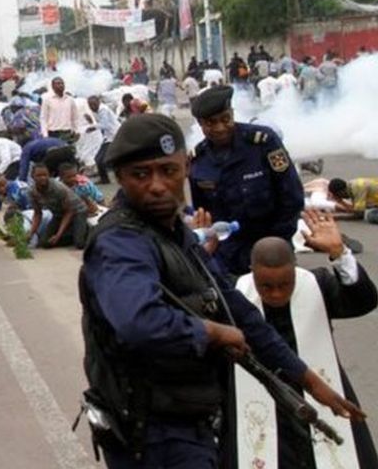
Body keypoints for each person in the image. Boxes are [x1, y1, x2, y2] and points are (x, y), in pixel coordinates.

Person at [78, 113, 363, 469]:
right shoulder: (122, 242)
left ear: (186, 168)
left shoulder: (173, 233)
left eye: (168, 171)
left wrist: (306, 379)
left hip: (187, 418)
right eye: (141, 174)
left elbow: (235, 307)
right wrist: (211, 331)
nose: (157, 185)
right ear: (119, 177)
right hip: (150, 433)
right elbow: (139, 322)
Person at [230, 215, 377, 469]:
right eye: (266, 286)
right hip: (261, 401)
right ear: (251, 272)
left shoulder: (317, 284)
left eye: (285, 284)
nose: (276, 293)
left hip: (321, 391)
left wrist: (340, 253)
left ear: (296, 268)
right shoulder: (235, 293)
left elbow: (363, 301)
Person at [189, 86, 304, 275]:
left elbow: (292, 197)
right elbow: (203, 216)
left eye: (225, 119)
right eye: (211, 123)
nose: (220, 128)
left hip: (271, 247)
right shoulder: (198, 161)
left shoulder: (263, 143)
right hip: (226, 257)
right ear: (201, 124)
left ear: (232, 113)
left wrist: (277, 244)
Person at [26, 162, 87, 249]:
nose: (42, 178)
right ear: (33, 177)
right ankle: (73, 232)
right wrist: (30, 234)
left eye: (45, 175)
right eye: (39, 175)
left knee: (79, 244)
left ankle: (84, 231)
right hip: (58, 214)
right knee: (44, 243)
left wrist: (58, 234)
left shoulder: (57, 188)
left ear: (49, 175)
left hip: (77, 211)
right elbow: (37, 214)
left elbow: (69, 211)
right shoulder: (32, 192)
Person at [88, 96, 120, 184]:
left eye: (94, 104)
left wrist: (93, 127)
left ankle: (106, 179)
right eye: (90, 105)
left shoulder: (103, 110)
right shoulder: (98, 111)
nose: (92, 107)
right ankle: (105, 179)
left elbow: (104, 125)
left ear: (99, 102)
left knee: (100, 159)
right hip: (109, 136)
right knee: (100, 158)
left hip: (113, 136)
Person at [40, 76, 79, 141]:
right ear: (52, 86)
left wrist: (76, 131)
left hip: (67, 133)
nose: (61, 85)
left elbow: (75, 118)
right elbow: (43, 118)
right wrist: (45, 135)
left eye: (62, 83)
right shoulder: (47, 100)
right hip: (53, 133)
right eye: (58, 83)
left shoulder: (70, 100)